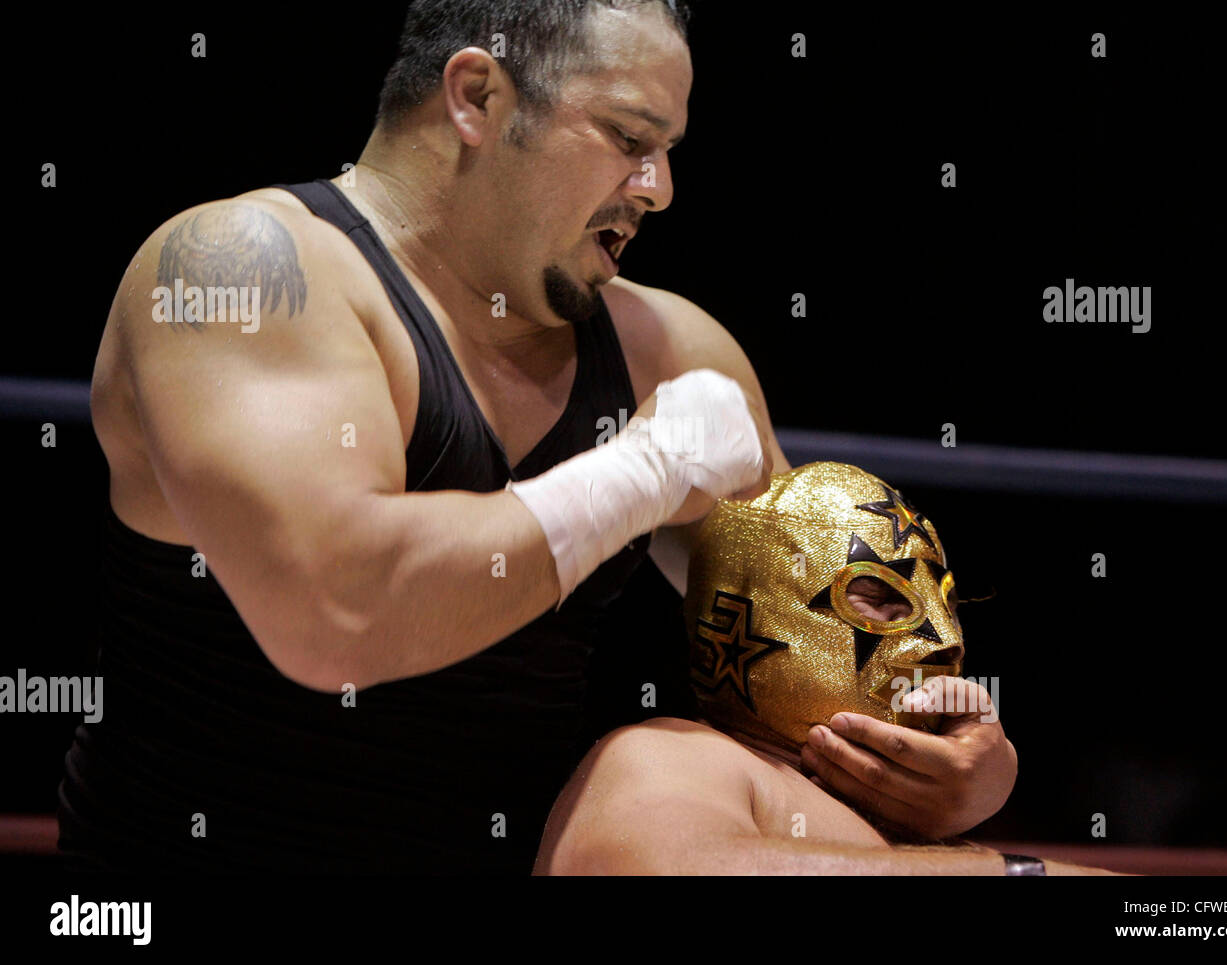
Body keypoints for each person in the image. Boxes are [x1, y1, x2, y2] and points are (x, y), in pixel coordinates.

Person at [60, 2, 1015, 873]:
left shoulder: (666, 351)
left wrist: (954, 764)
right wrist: (643, 471)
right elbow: (334, 613)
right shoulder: (238, 273)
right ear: (477, 96)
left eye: (670, 148)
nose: (661, 188)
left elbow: (810, 662)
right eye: (630, 138)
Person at [536, 463, 1110, 875]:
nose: (946, 640)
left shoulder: (912, 816)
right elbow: (645, 866)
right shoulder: (676, 753)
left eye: (950, 604)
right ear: (749, 613)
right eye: (881, 598)